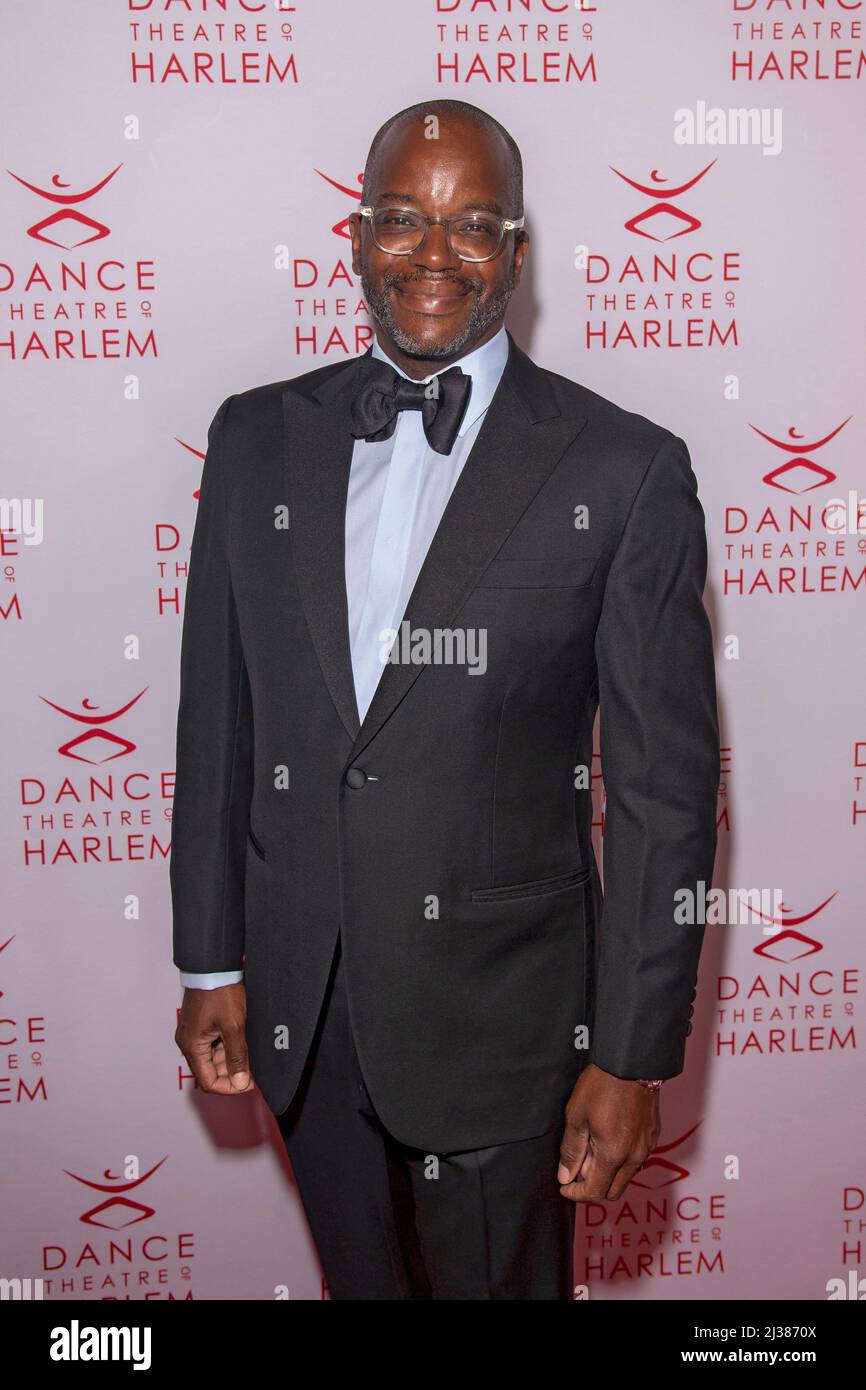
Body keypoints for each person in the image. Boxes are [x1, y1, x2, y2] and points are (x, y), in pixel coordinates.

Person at [171, 98, 720, 1300]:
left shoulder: (623, 468)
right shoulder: (254, 439)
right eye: (401, 219)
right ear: (355, 236)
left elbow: (665, 796)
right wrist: (209, 959)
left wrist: (630, 1054)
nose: (433, 252)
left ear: (516, 253)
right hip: (305, 1014)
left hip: (506, 1030)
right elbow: (219, 719)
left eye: (473, 223)